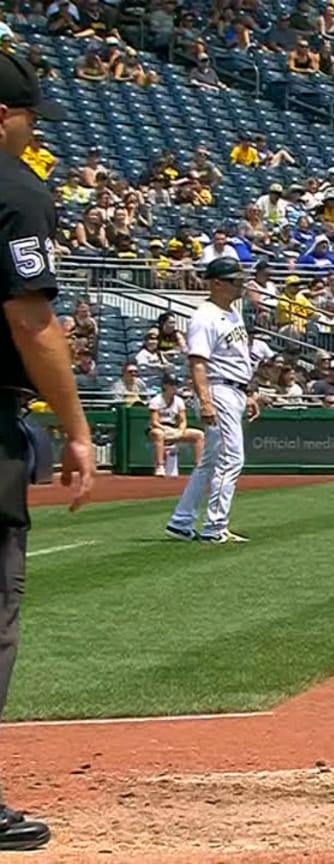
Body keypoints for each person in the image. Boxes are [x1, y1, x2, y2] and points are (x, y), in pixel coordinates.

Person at [0, 51, 90, 851]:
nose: (32, 135)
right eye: (28, 119)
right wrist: (77, 427)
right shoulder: (14, 188)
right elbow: (33, 322)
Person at [165, 257, 259, 543]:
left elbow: (238, 358)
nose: (241, 285)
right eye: (235, 281)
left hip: (235, 389)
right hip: (218, 390)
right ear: (216, 283)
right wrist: (205, 401)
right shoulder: (204, 316)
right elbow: (197, 363)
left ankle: (181, 521)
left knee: (210, 461)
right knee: (232, 459)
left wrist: (249, 391)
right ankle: (215, 527)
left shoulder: (232, 312)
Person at [146, 373, 204, 476]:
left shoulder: (179, 401)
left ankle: (199, 467)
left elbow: (183, 420)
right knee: (159, 434)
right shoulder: (156, 400)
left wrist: (181, 430)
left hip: (174, 428)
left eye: (175, 384)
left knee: (199, 435)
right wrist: (165, 429)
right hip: (158, 428)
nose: (174, 387)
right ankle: (160, 466)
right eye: (171, 384)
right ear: (164, 385)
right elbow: (154, 421)